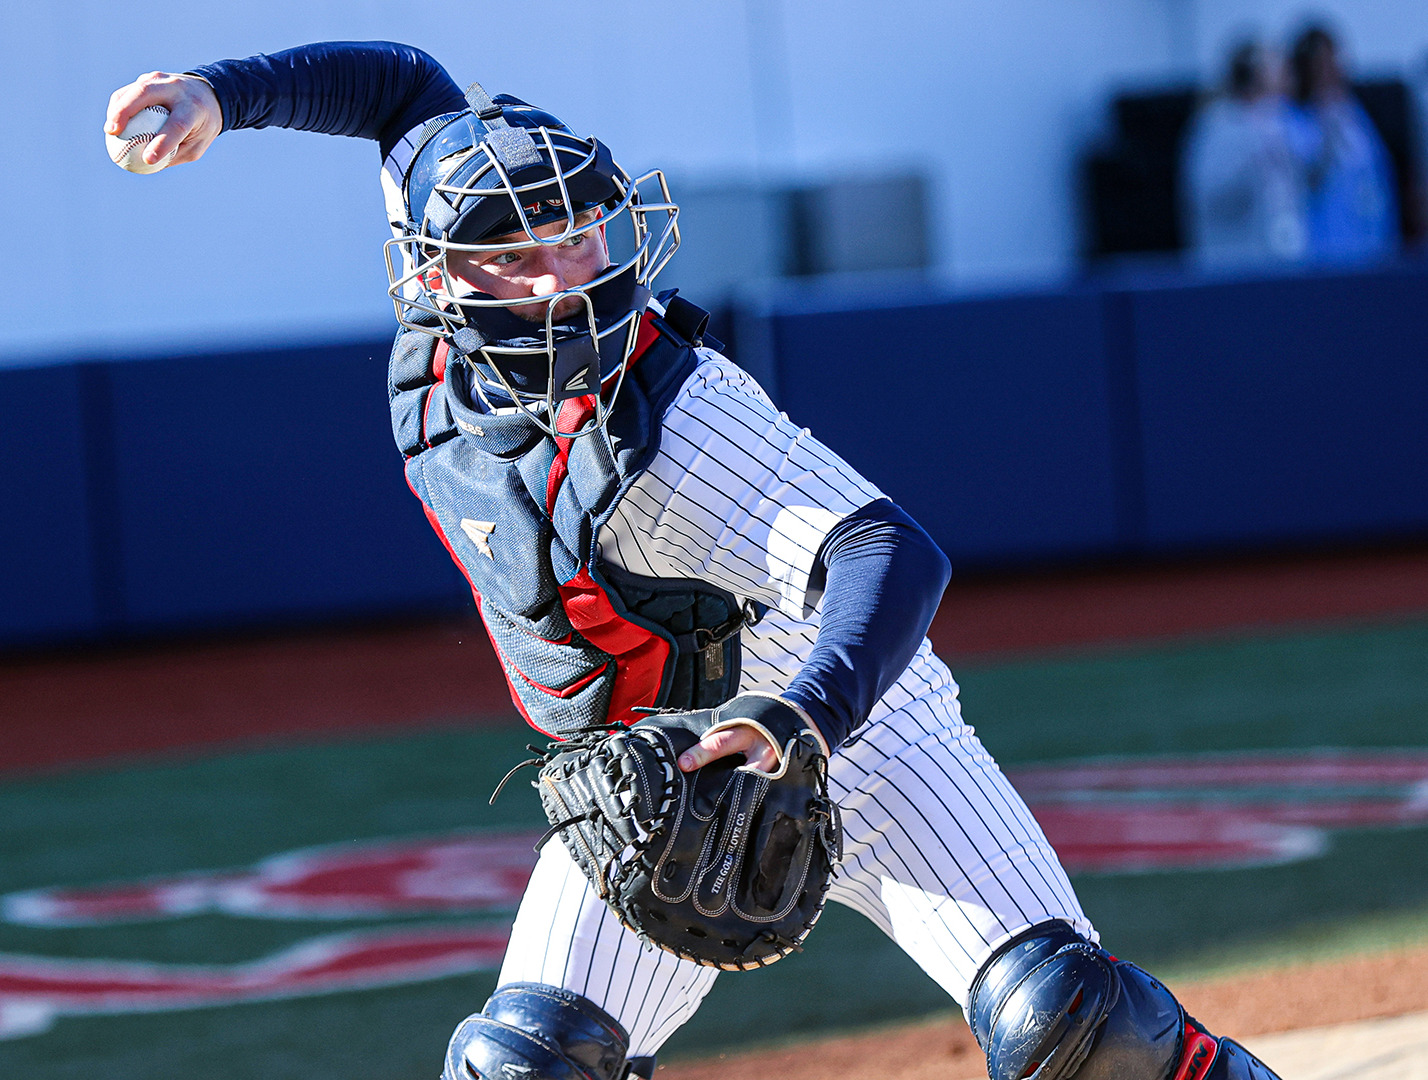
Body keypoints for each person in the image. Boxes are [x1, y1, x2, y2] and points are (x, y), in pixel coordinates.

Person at [104, 41, 1284, 1080]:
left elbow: (892, 552)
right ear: (433, 276)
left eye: (577, 236)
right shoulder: (441, 355)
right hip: (660, 776)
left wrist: (802, 715)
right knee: (524, 1068)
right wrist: (221, 94)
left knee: (1075, 1033)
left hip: (859, 730)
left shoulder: (678, 413)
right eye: (511, 255)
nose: (561, 275)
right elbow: (399, 86)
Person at [1182, 40, 1307, 267]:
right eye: (1275, 68)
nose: (1285, 76)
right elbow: (1212, 196)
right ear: (1253, 76)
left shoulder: (1280, 123)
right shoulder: (1220, 125)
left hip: (1280, 260)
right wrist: (1253, 160)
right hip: (1235, 262)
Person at [1284, 25, 1400, 261]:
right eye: (1322, 64)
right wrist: (1327, 131)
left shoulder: (1354, 112)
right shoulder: (1293, 120)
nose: (1333, 69)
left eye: (1334, 59)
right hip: (1326, 252)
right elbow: (1304, 182)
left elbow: (1377, 174)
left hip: (1374, 243)